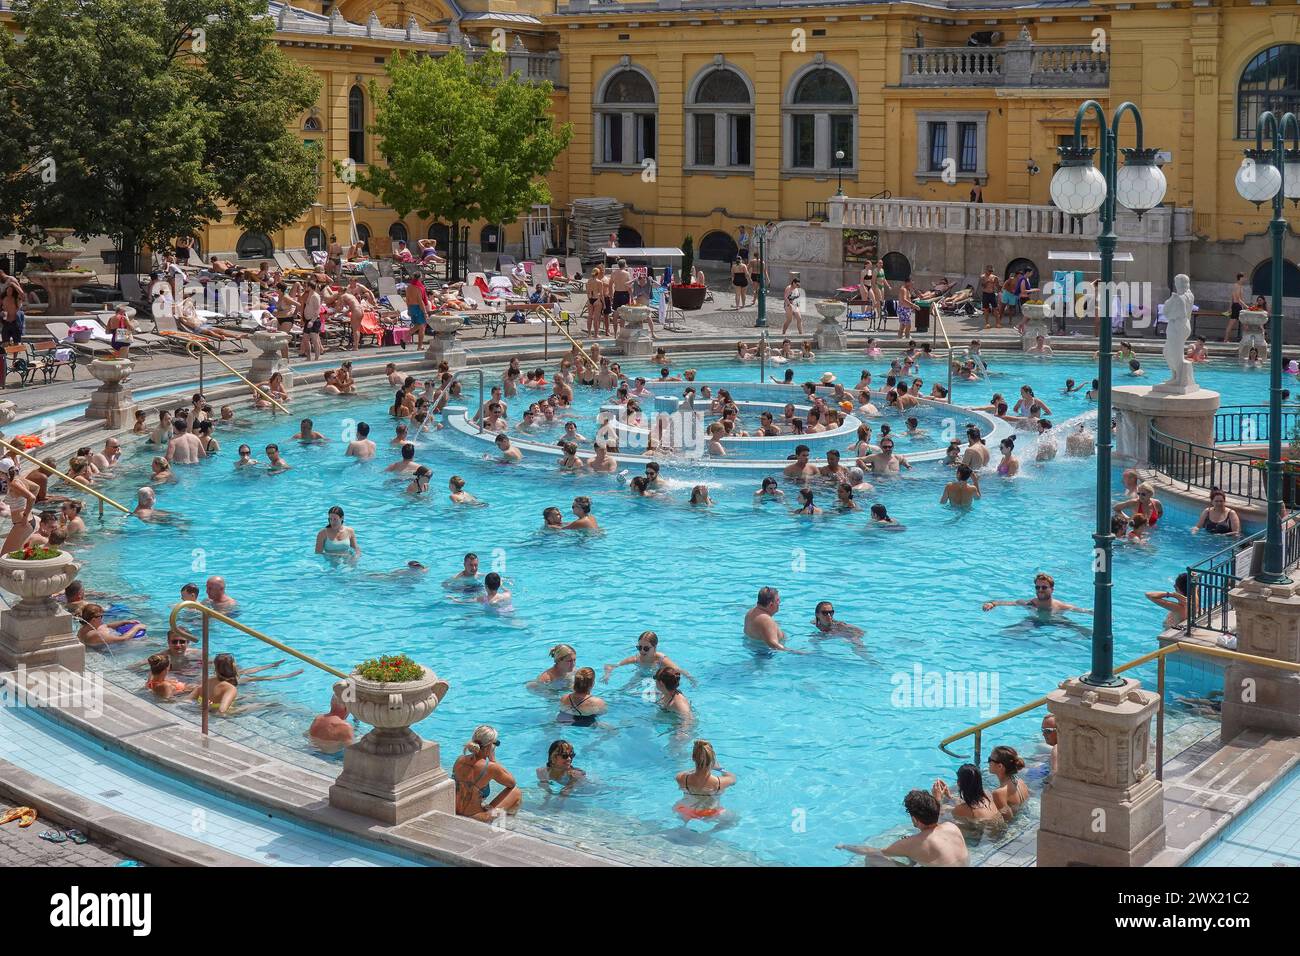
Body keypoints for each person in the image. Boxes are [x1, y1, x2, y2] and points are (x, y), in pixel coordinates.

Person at [837, 789, 968, 866]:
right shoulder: (951, 827)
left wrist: (844, 846)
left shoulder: (912, 843)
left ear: (915, 819)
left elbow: (870, 851)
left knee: (872, 858)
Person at [452, 725, 522, 822]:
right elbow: (512, 783)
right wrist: (493, 760)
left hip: (455, 811)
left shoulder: (460, 760)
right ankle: (505, 823)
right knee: (516, 792)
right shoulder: (491, 767)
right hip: (477, 817)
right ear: (490, 745)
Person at [674, 740, 736, 821]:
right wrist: (720, 769)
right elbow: (733, 778)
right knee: (734, 819)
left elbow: (683, 772)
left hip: (686, 811)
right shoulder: (720, 782)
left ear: (693, 758)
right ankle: (708, 833)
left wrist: (697, 766)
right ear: (712, 760)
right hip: (710, 813)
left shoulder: (681, 778)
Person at [982, 572, 1091, 616]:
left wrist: (1096, 613)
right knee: (1009, 633)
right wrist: (992, 604)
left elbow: (1081, 610)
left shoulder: (1060, 606)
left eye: (1044, 587)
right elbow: (1010, 602)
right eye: (1037, 587)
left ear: (1052, 589)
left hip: (1056, 622)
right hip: (1034, 622)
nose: (1040, 590)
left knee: (1083, 631)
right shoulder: (1030, 603)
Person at [932, 763, 1001, 823]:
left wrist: (937, 799)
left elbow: (938, 818)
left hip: (986, 837)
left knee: (944, 808)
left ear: (959, 783)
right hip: (999, 832)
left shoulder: (963, 809)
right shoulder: (988, 795)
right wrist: (949, 796)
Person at [743, 587, 805, 653]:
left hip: (754, 648)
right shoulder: (766, 621)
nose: (779, 602)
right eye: (777, 600)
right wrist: (796, 652)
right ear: (771, 605)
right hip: (765, 654)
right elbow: (773, 645)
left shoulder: (751, 612)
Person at [307, 681, 355, 754]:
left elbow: (306, 735)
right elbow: (353, 753)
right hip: (329, 759)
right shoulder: (344, 727)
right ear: (348, 706)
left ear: (331, 703)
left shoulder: (318, 719)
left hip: (311, 752)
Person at [988, 745, 1029, 820]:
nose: (988, 762)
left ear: (1000, 766)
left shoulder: (998, 793)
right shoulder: (1020, 781)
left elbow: (1007, 820)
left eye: (990, 759)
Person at [77, 604, 146, 646]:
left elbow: (106, 626)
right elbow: (123, 639)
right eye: (101, 616)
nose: (102, 619)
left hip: (110, 643)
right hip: (112, 650)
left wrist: (125, 622)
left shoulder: (85, 627)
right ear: (94, 620)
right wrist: (137, 627)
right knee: (146, 642)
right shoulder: (96, 635)